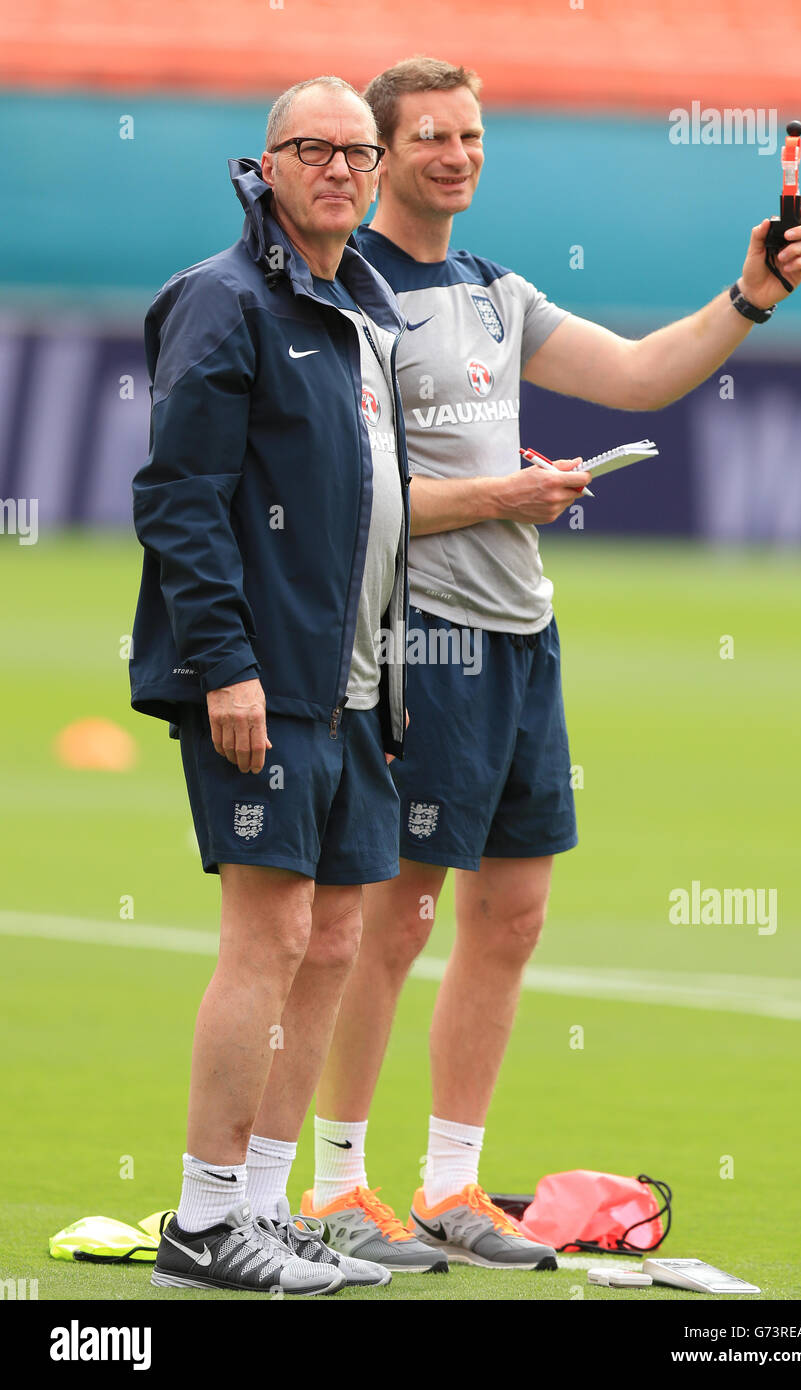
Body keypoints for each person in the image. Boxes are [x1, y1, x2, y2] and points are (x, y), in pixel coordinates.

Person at [301, 56, 801, 1270]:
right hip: (422, 638)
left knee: (513, 915)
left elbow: (638, 374)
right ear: (377, 157)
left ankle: (449, 1183)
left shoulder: (492, 292)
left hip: (523, 637)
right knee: (398, 916)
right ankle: (330, 1183)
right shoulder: (346, 294)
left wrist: (747, 298)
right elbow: (343, 497)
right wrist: (507, 492)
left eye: (472, 135)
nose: (458, 154)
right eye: (430, 136)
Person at [129, 75, 420, 1293]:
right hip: (263, 676)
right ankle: (201, 1223)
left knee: (338, 935)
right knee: (272, 931)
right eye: (315, 149)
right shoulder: (227, 297)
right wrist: (226, 664)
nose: (342, 169)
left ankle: (261, 1203)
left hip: (351, 682)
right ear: (268, 163)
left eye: (359, 151)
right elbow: (179, 497)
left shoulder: (358, 303)